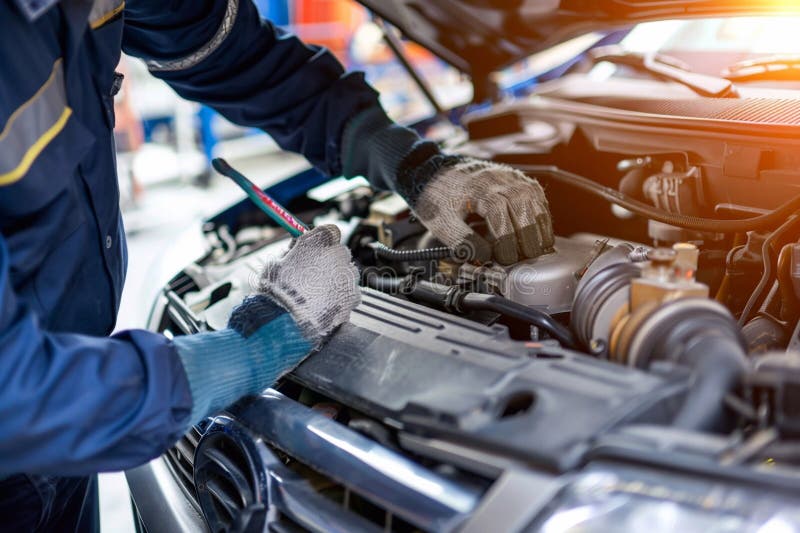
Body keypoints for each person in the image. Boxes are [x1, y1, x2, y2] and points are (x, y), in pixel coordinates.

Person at [0, 1, 554, 531]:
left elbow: (233, 56)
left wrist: (411, 164)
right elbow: (17, 397)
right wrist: (252, 349)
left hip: (83, 422)